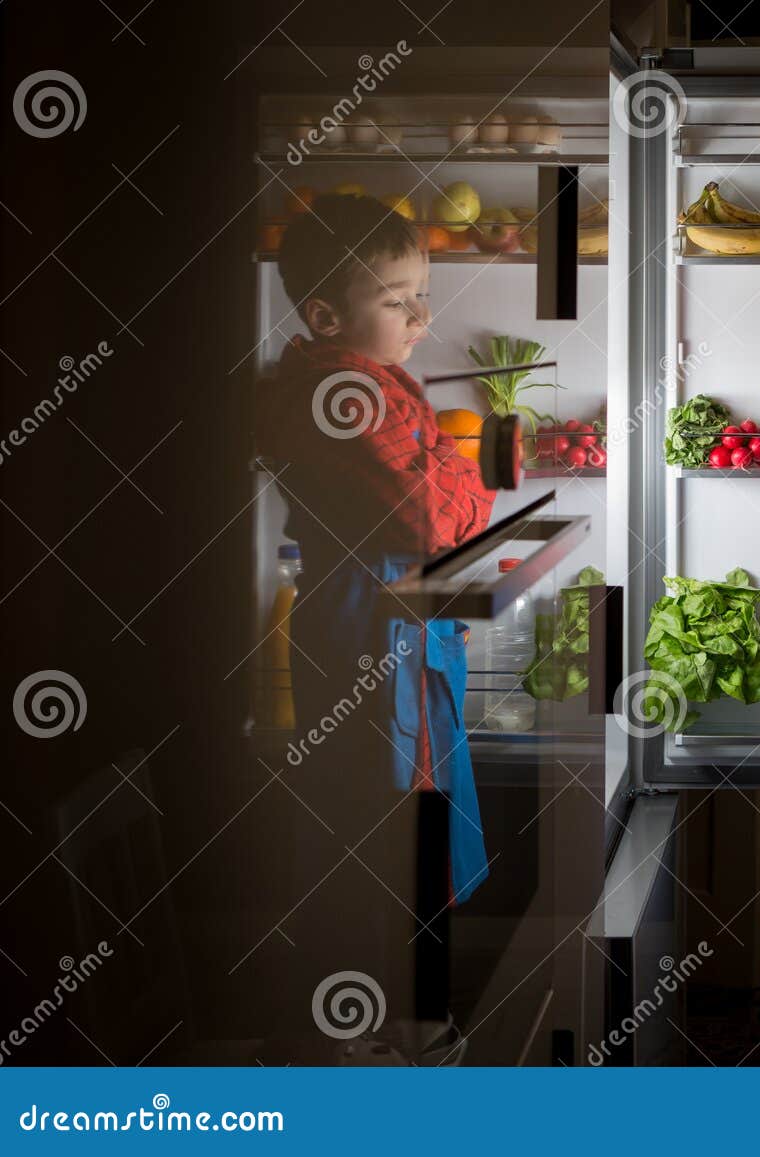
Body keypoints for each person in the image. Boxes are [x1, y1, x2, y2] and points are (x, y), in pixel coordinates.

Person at [255, 194, 493, 1053]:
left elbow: (441, 499)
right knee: (392, 826)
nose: (422, 318)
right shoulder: (351, 393)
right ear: (326, 314)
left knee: (372, 823)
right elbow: (447, 518)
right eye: (397, 300)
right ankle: (398, 1039)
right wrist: (457, 465)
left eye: (420, 294)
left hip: (373, 619)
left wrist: (447, 467)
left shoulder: (350, 379)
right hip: (376, 632)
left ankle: (382, 1026)